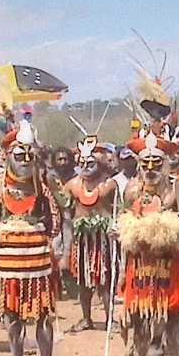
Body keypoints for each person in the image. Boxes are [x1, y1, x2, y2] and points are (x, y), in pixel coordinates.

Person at [0, 121, 65, 356]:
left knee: (44, 316)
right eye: (19, 156)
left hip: (40, 263)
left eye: (30, 156)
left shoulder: (43, 184)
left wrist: (60, 250)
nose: (25, 161)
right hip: (8, 266)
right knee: (12, 319)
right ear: (7, 156)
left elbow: (61, 217)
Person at [117, 132, 179, 356]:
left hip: (168, 265)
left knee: (172, 317)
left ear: (165, 164)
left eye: (155, 163)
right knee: (139, 317)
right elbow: (125, 225)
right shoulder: (131, 191)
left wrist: (173, 234)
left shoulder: (175, 190)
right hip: (139, 264)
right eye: (145, 163)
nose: (150, 168)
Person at [63, 136, 118, 332]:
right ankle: (86, 318)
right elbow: (67, 216)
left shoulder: (110, 184)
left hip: (103, 237)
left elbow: (117, 209)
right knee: (83, 280)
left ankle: (110, 317)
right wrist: (65, 244)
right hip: (81, 238)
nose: (86, 166)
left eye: (91, 162)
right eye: (83, 162)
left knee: (105, 278)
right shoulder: (71, 186)